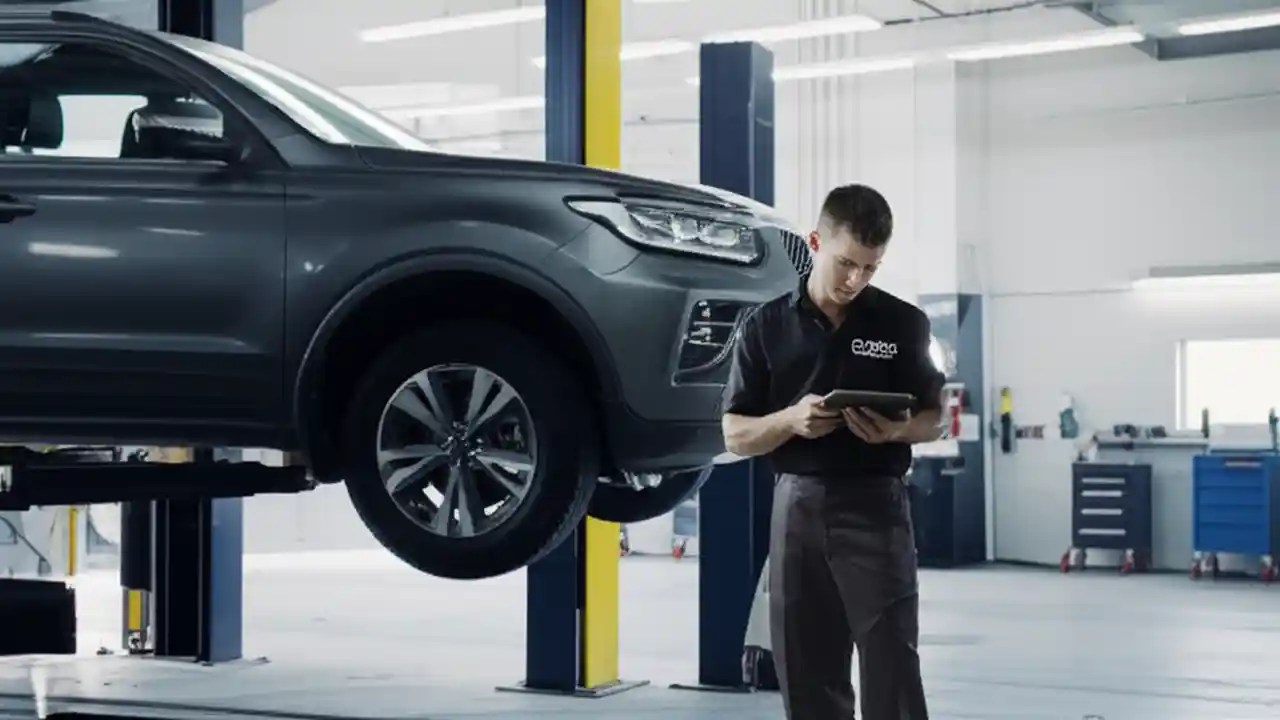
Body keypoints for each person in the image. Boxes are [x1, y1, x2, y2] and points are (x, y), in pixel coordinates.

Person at [720, 183, 945, 719]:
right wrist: (789, 419)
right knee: (806, 663)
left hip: (877, 506)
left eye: (870, 267)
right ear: (815, 241)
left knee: (891, 656)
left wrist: (894, 432)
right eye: (846, 262)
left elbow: (934, 419)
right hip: (797, 506)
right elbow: (733, 433)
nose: (855, 279)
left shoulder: (902, 324)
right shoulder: (764, 326)